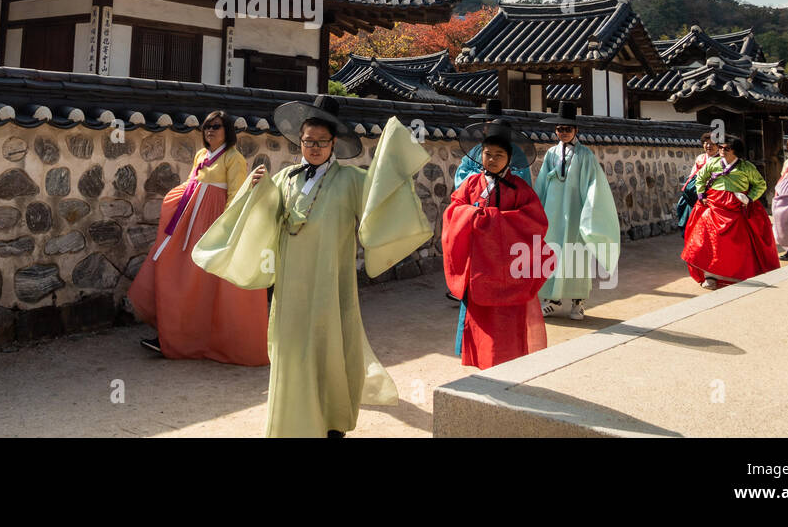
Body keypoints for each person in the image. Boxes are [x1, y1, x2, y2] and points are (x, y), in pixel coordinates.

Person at [192, 95, 432, 438]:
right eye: (308, 141)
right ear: (299, 142)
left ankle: (330, 424)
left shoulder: (351, 181)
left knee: (328, 349)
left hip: (329, 285)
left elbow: (380, 202)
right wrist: (255, 190)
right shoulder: (285, 178)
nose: (314, 148)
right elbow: (264, 218)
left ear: (333, 144)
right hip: (290, 286)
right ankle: (293, 426)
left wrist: (393, 163)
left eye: (322, 142)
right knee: (292, 352)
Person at [127, 110, 268, 365]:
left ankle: (193, 340)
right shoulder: (201, 155)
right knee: (175, 275)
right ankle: (172, 336)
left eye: (216, 126)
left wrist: (224, 233)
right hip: (188, 226)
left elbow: (235, 197)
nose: (210, 131)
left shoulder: (233, 159)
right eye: (207, 127)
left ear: (227, 131)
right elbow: (190, 186)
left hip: (210, 227)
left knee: (198, 286)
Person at [443, 121, 552, 369]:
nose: (491, 159)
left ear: (509, 158)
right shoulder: (471, 185)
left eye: (499, 155)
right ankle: (481, 368)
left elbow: (536, 224)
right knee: (479, 321)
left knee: (508, 323)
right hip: (479, 269)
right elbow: (453, 213)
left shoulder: (521, 190)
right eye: (487, 154)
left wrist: (493, 221)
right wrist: (471, 216)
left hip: (509, 272)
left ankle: (509, 368)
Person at [534, 101, 620, 320]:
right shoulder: (551, 154)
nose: (563, 132)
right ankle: (552, 300)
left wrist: (589, 212)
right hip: (553, 213)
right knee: (552, 253)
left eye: (567, 129)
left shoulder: (585, 156)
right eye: (560, 129)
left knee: (577, 255)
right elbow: (543, 183)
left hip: (575, 212)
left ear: (576, 130)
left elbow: (594, 186)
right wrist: (537, 210)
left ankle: (577, 302)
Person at [681, 136, 780, 289]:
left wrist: (749, 198)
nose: (721, 150)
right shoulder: (713, 163)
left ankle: (737, 275)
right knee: (706, 240)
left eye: (726, 148)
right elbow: (700, 178)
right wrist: (701, 195)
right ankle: (710, 275)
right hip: (714, 205)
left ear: (736, 151)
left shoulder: (746, 167)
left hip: (738, 207)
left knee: (739, 243)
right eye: (720, 147)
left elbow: (760, 184)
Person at [454, 99, 533, 188]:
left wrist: (499, 176)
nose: (492, 130)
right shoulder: (476, 150)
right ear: (484, 128)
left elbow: (521, 178)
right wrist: (481, 176)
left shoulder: (515, 152)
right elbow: (462, 172)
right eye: (489, 126)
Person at [676, 131, 721, 234]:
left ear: (718, 146)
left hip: (711, 193)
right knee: (683, 208)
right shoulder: (700, 158)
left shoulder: (721, 160)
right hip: (694, 191)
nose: (709, 146)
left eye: (712, 144)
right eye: (706, 143)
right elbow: (693, 174)